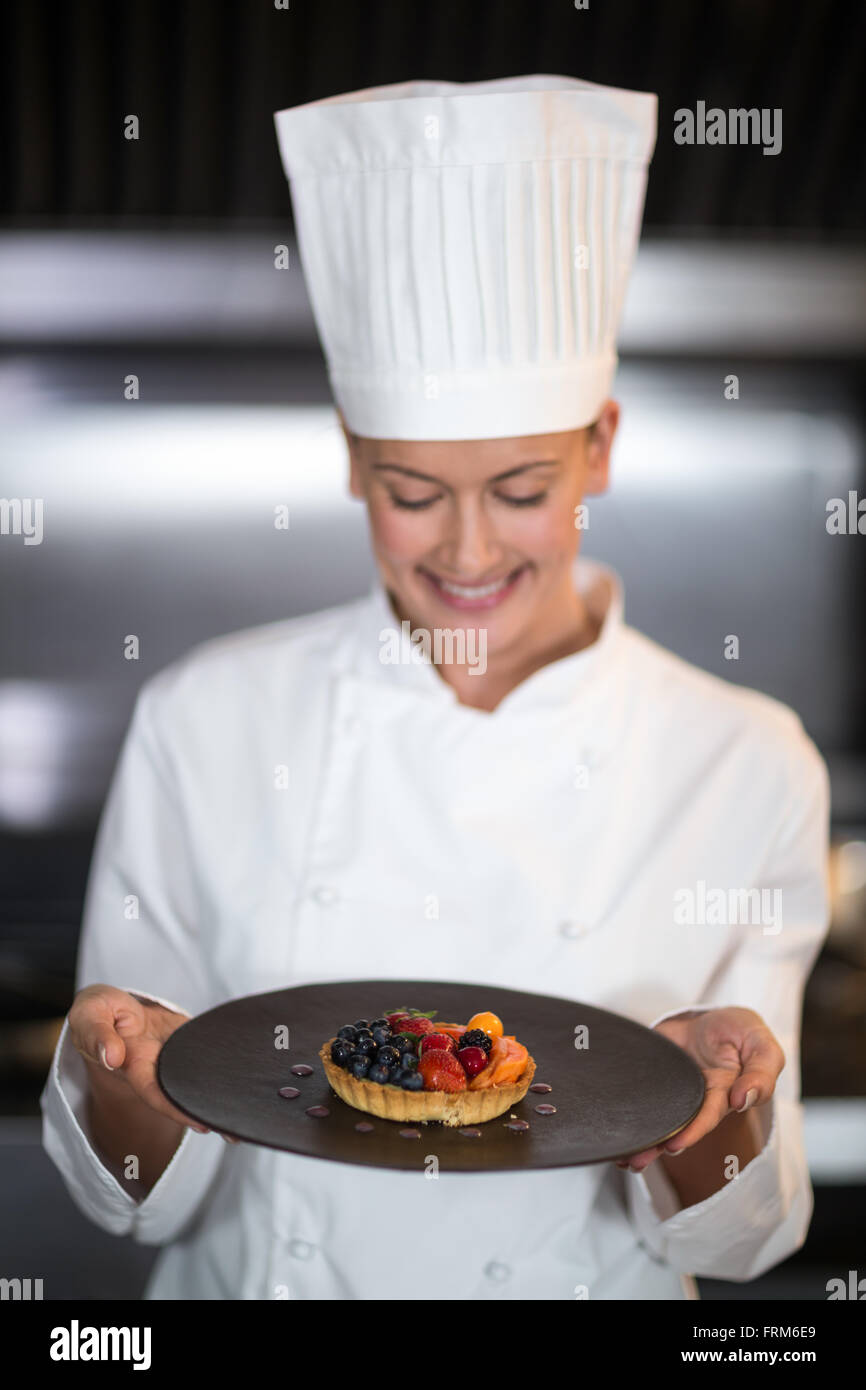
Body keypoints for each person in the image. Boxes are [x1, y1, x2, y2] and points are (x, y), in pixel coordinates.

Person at [41, 75, 830, 1300]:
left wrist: (717, 1107)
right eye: (412, 493)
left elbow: (734, 1243)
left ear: (601, 448)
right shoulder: (207, 716)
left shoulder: (743, 754)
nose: (467, 552)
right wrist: (119, 1077)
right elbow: (131, 1205)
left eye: (521, 490)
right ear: (353, 462)